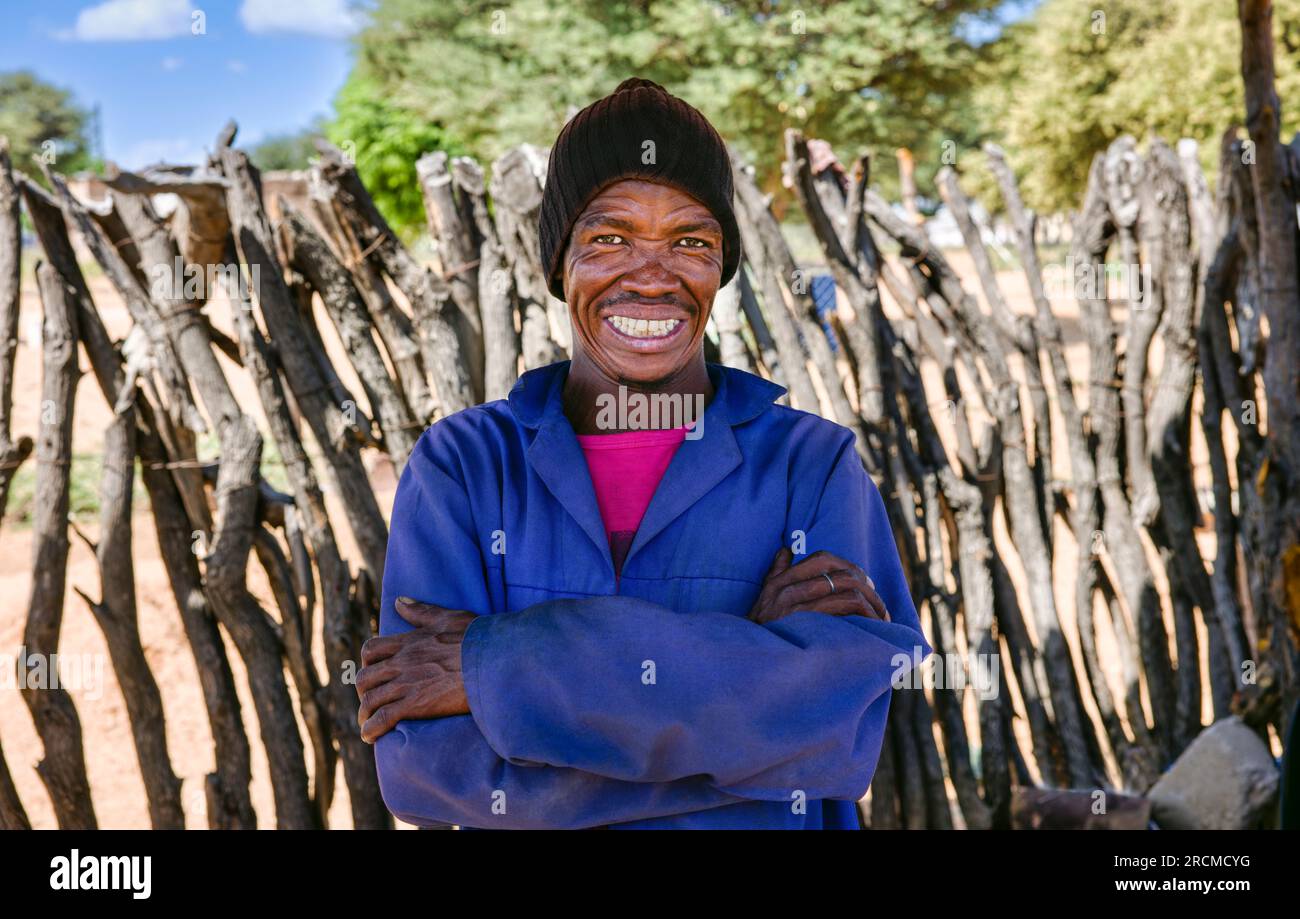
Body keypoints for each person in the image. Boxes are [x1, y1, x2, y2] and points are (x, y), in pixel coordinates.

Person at [355, 77, 932, 829]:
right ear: (559, 262)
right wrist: (747, 683)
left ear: (721, 267)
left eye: (690, 240)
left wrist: (497, 666)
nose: (652, 275)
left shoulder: (809, 466)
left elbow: (835, 740)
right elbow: (426, 771)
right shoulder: (465, 467)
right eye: (609, 238)